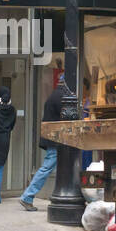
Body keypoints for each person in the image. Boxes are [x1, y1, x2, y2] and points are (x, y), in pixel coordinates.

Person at [20, 78, 71, 211]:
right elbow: (68, 116)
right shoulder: (61, 97)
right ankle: (27, 196)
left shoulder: (55, 95)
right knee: (47, 168)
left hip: (53, 138)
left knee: (54, 168)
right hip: (56, 139)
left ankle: (33, 196)